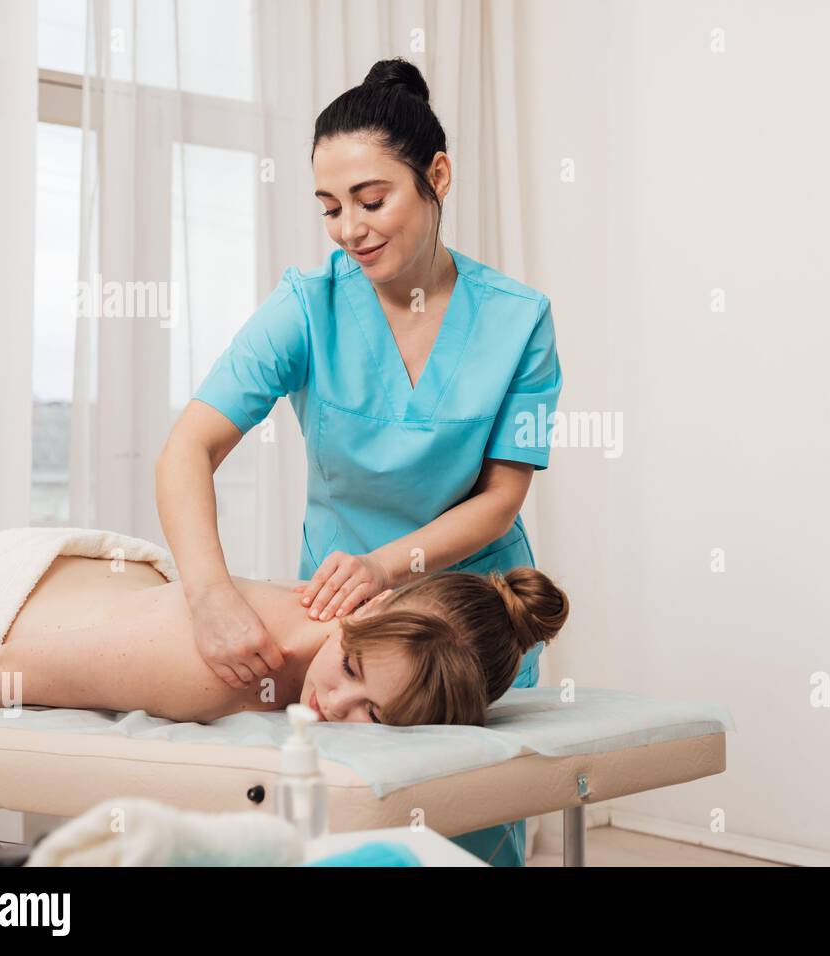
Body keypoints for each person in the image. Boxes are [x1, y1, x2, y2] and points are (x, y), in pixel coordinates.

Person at [155, 57, 564, 865]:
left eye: (372, 200)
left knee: (464, 835)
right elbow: (187, 449)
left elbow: (500, 499)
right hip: (340, 625)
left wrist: (388, 566)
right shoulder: (308, 306)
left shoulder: (519, 320)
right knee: (344, 830)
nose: (350, 228)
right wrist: (208, 594)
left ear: (436, 176)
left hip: (467, 616)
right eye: (331, 207)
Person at [0, 549, 567, 729]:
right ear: (364, 608)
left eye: (376, 714)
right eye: (352, 668)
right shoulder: (209, 667)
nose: (335, 705)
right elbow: (8, 667)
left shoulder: (344, 623)